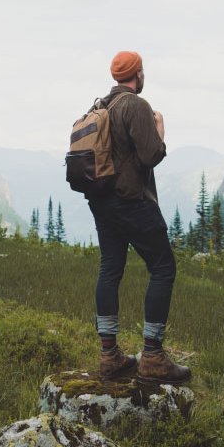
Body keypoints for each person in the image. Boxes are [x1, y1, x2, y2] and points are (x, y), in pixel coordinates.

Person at [88, 50, 191, 384]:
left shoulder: (100, 105)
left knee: (110, 269)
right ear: (138, 74)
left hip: (102, 202)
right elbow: (150, 155)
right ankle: (153, 356)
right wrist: (160, 128)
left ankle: (109, 357)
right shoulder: (135, 106)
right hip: (131, 201)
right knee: (163, 268)